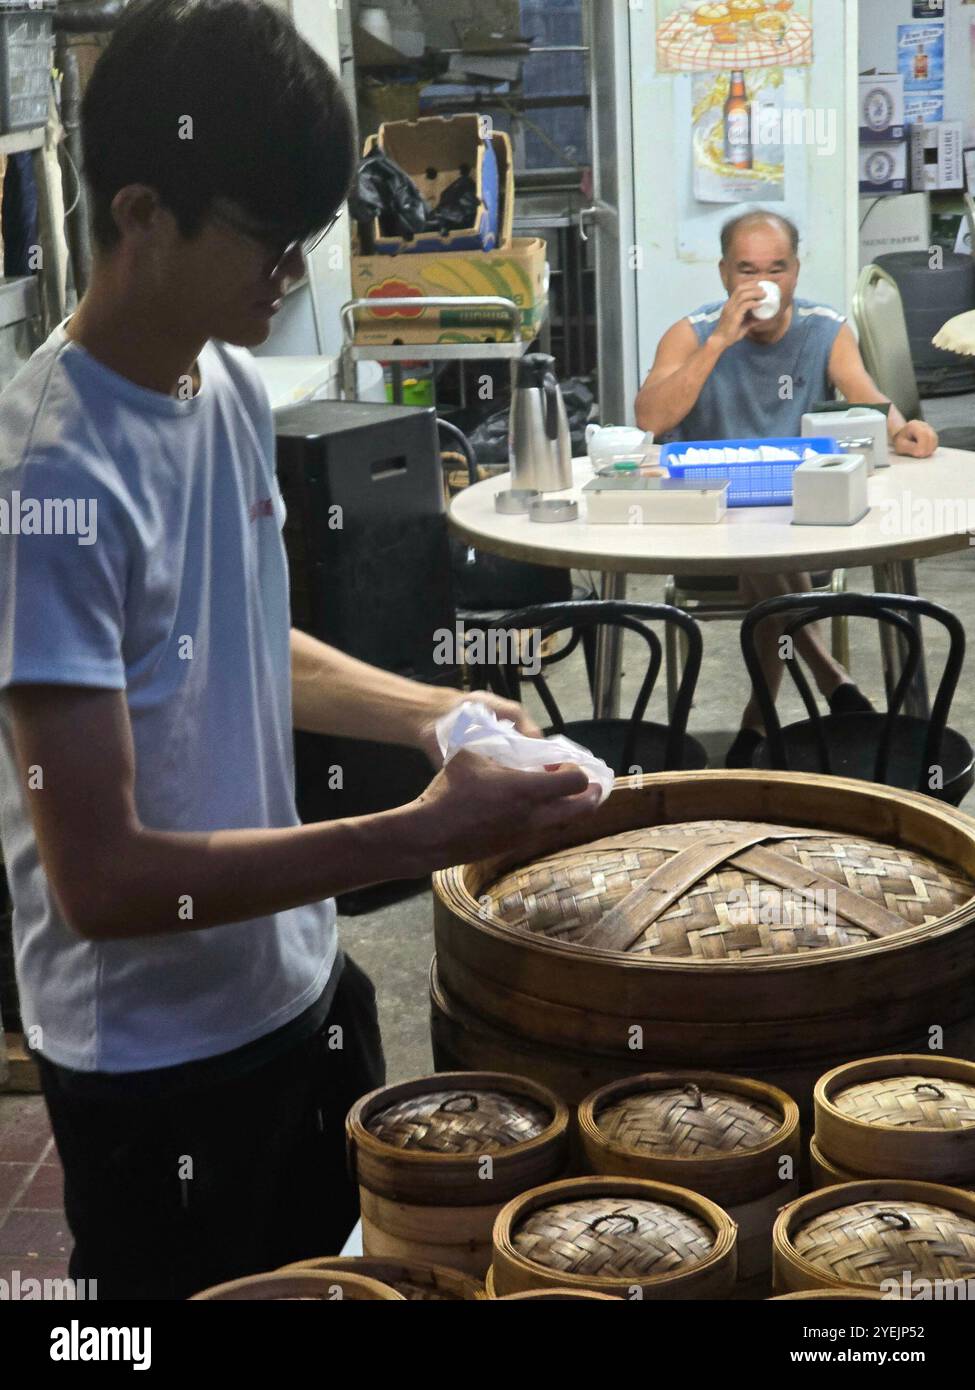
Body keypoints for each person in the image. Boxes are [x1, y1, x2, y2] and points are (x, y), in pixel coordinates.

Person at [0, 0, 600, 1301]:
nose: (290, 277)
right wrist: (417, 833)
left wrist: (435, 711)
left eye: (308, 240)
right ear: (142, 212)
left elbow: (237, 636)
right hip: (158, 1060)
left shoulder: (208, 382)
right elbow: (99, 876)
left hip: (298, 985)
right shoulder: (49, 476)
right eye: (271, 242)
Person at [635, 210, 939, 767]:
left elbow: (863, 395)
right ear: (725, 274)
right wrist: (720, 342)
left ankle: (759, 720)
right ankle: (832, 679)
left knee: (766, 554)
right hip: (706, 527)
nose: (763, 283)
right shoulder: (692, 332)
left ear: (796, 271)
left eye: (777, 268)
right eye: (748, 269)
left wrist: (902, 429)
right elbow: (650, 419)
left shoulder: (823, 329)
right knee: (756, 547)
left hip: (800, 521)